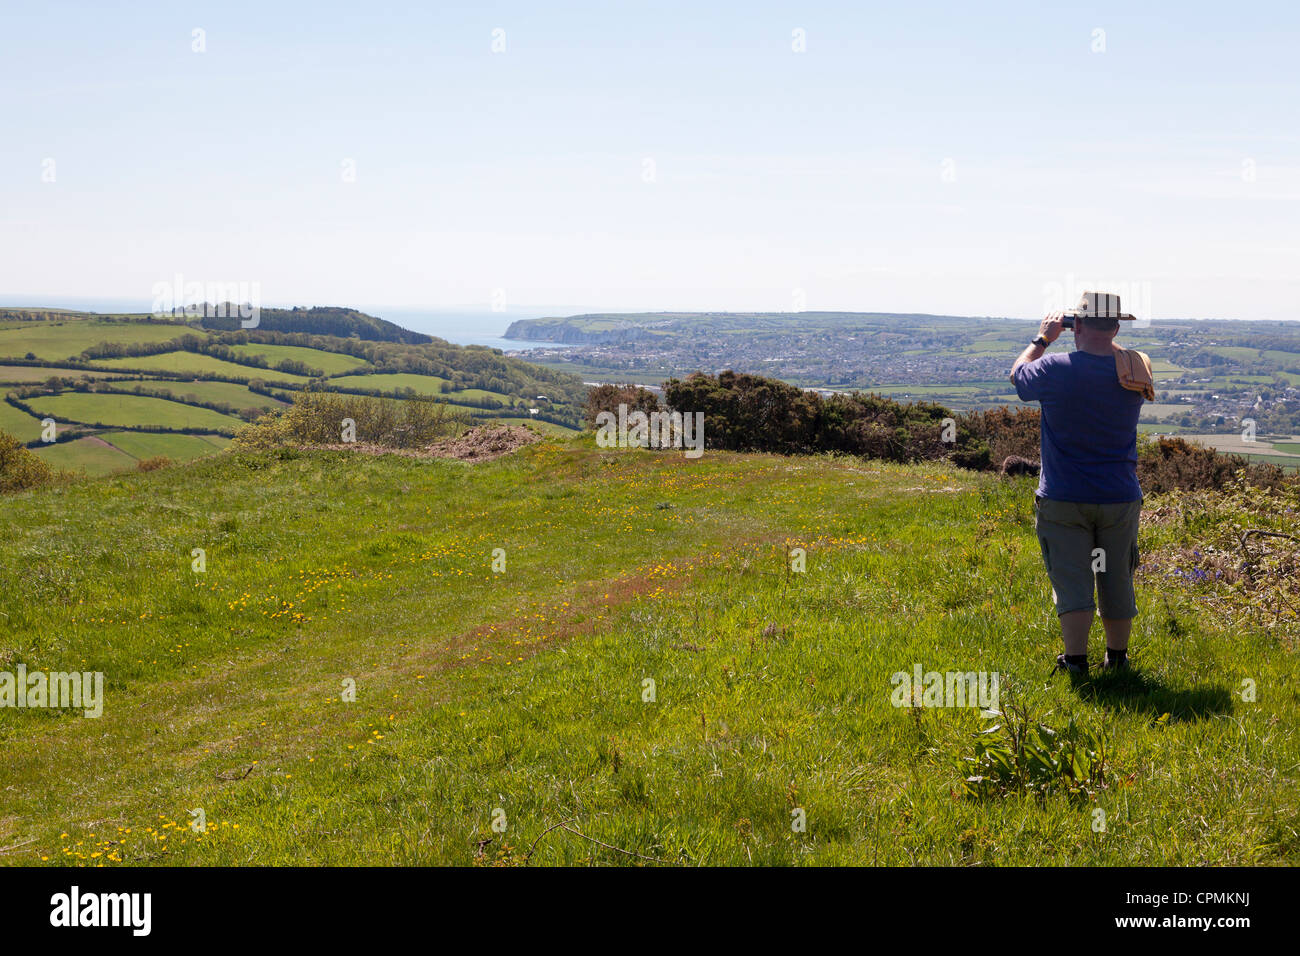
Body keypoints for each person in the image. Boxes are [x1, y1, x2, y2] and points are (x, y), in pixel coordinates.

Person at [1009, 297, 1148, 675]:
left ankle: (1076, 664)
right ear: (1116, 328)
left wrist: (1043, 338)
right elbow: (1111, 350)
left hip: (1064, 496)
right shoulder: (1134, 370)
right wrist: (1101, 336)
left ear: (1077, 327)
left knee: (1073, 578)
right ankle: (1117, 661)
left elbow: (1018, 375)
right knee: (1116, 576)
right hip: (1119, 495)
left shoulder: (1054, 367)